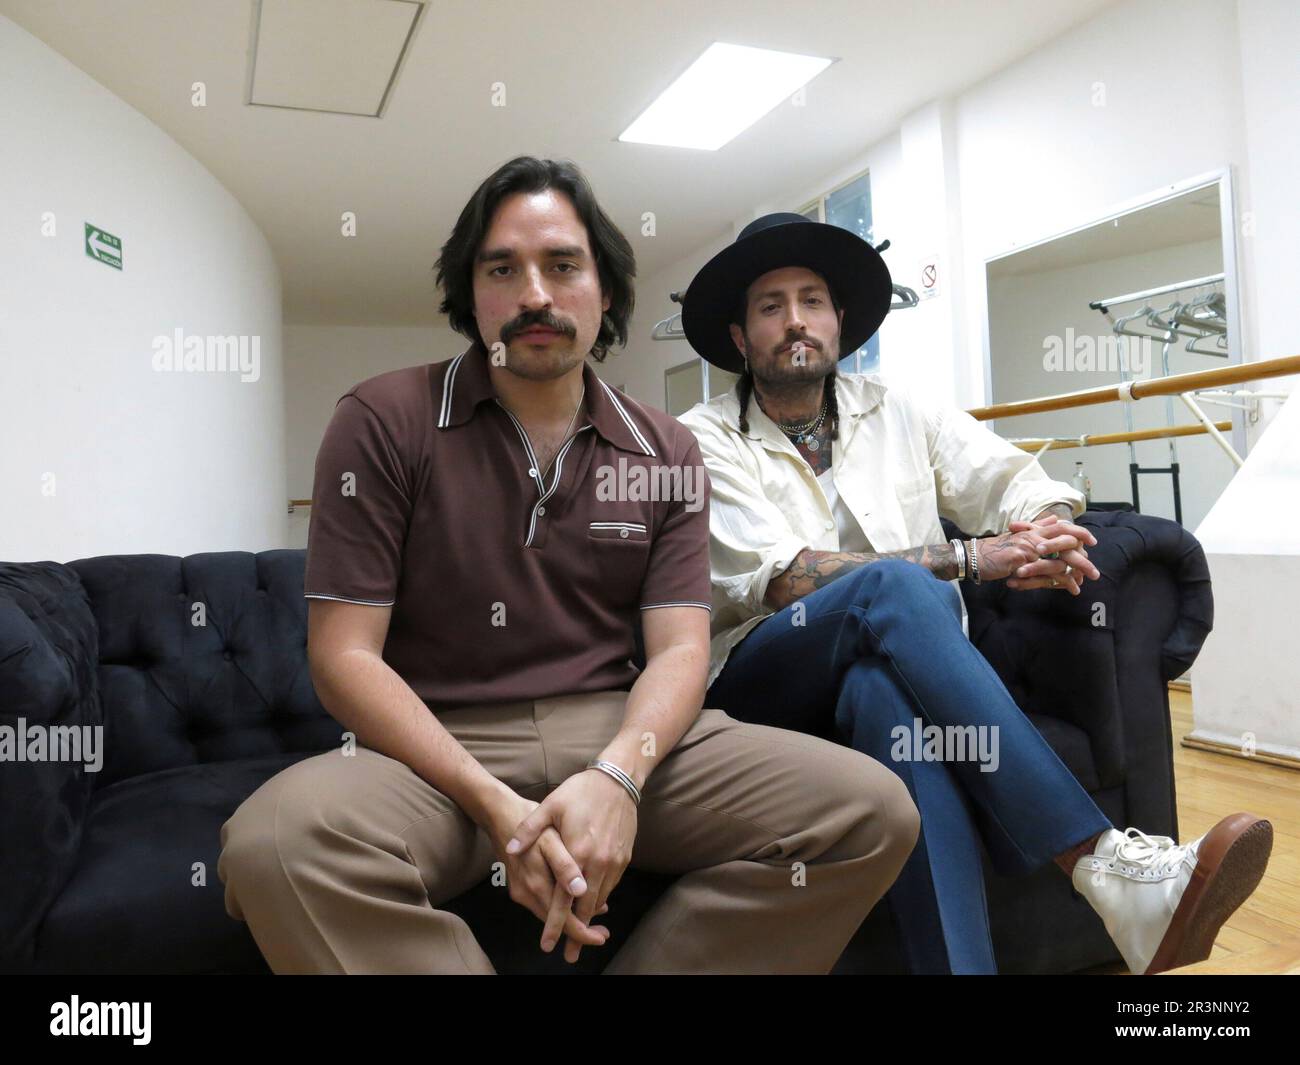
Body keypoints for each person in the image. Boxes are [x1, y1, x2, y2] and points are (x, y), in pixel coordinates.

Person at [217, 164, 920, 974]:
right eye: (502, 268)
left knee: (870, 812)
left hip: (621, 728)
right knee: (273, 843)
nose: (532, 295)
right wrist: (495, 805)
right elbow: (342, 655)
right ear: (469, 293)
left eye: (561, 265)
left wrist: (620, 775)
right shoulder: (381, 421)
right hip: (436, 750)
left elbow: (684, 650)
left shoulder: (666, 449)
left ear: (606, 291)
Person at [676, 211, 1273, 974]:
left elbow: (1020, 482)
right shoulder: (700, 439)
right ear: (739, 337)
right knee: (886, 585)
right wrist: (969, 557)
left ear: (839, 319)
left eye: (812, 299)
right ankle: (1101, 862)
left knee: (887, 703)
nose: (796, 320)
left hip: (893, 673)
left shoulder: (899, 410)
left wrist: (1045, 533)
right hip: (768, 677)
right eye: (770, 305)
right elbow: (785, 575)